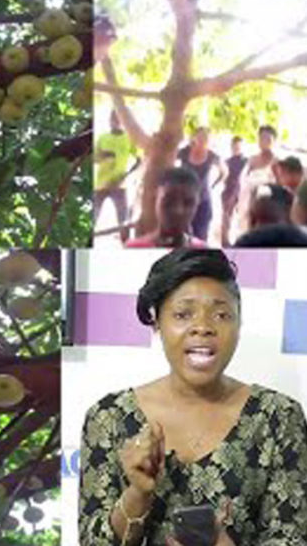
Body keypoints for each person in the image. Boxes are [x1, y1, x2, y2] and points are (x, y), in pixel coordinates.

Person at [79, 249, 307, 545]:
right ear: (157, 322)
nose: (203, 327)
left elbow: (292, 537)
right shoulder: (109, 417)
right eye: (183, 314)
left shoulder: (278, 417)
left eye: (222, 314)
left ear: (239, 324)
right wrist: (138, 492)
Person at [125, 167, 206, 248]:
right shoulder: (135, 250)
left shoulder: (203, 253)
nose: (178, 210)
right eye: (169, 201)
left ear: (198, 203)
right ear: (155, 197)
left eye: (188, 203)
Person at [94, 111, 138, 243]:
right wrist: (104, 156)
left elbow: (140, 160)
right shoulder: (103, 137)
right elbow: (94, 159)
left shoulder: (129, 138)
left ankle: (127, 245)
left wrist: (127, 175)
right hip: (100, 184)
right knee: (93, 218)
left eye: (118, 119)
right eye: (112, 119)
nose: (114, 121)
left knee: (123, 221)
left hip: (120, 185)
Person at [176, 127, 224, 242]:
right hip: (184, 201)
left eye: (206, 137)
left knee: (201, 237)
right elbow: (169, 161)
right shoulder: (184, 152)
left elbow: (224, 172)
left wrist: (213, 185)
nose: (203, 139)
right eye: (200, 136)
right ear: (194, 137)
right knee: (183, 236)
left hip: (203, 200)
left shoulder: (212, 155)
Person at [232, 125, 278, 241]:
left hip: (266, 208)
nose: (264, 142)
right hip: (246, 205)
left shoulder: (277, 162)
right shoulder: (251, 159)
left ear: (274, 141)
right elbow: (242, 182)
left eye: (268, 139)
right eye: (262, 138)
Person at [219, 136, 246, 246]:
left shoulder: (246, 161)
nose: (236, 148)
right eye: (234, 146)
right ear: (231, 146)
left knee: (242, 219)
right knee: (226, 218)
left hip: (241, 192)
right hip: (228, 191)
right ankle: (224, 242)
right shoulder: (227, 161)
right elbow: (222, 176)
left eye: (238, 146)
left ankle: (240, 241)